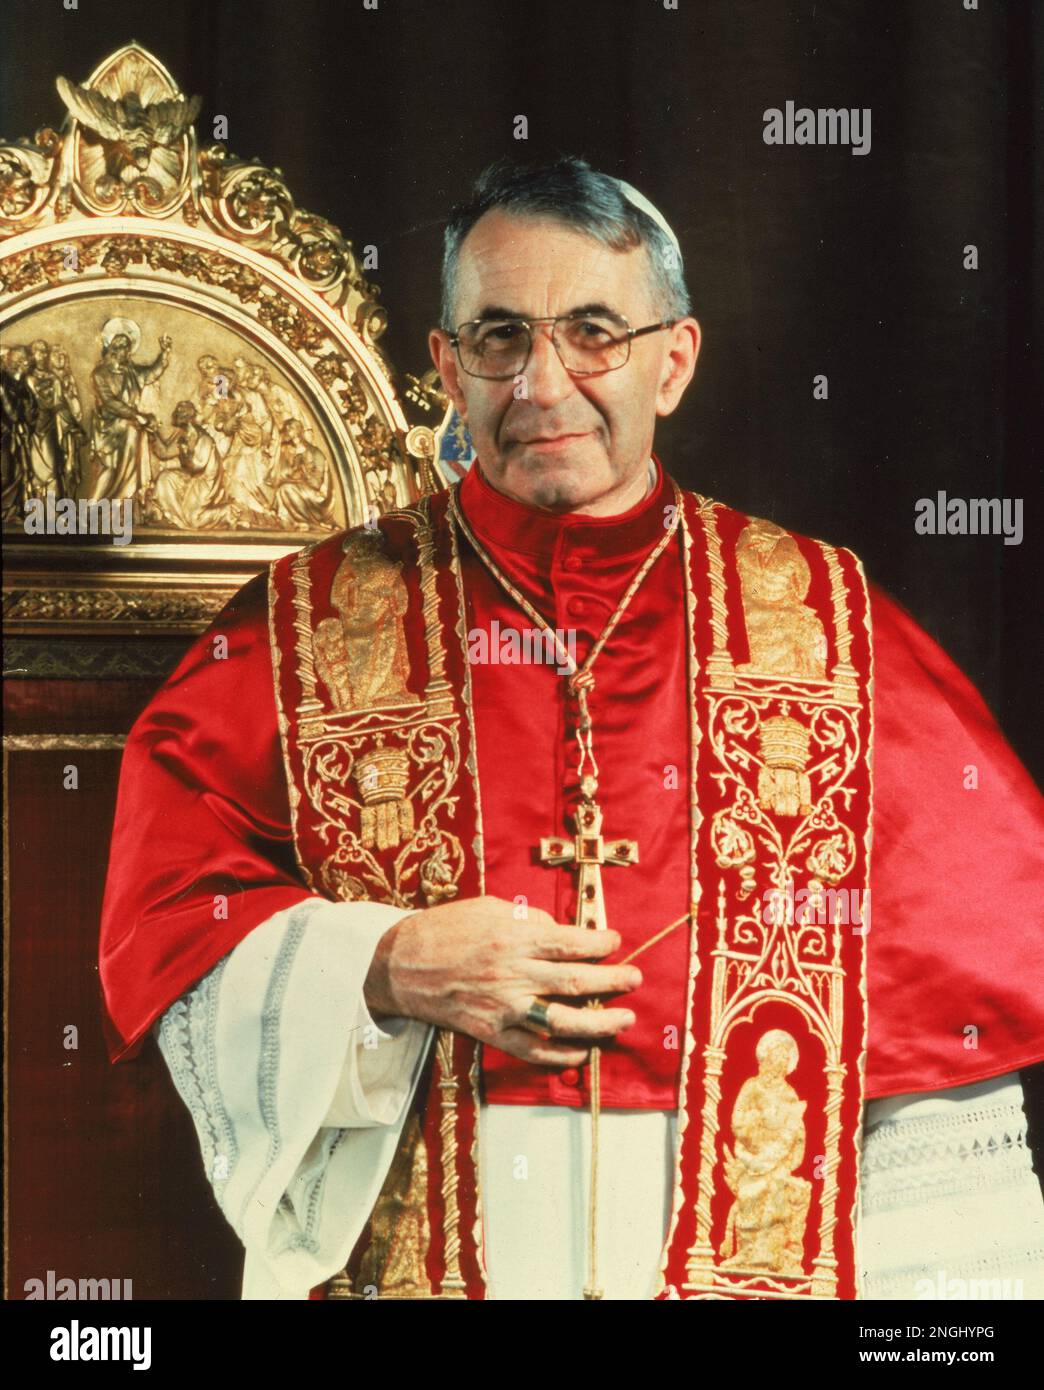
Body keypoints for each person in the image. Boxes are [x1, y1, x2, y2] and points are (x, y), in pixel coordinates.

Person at [98, 157, 1044, 1302]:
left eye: (594, 331)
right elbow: (167, 945)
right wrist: (385, 965)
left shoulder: (830, 628)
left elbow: (953, 1050)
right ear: (447, 365)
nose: (543, 383)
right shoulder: (299, 629)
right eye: (498, 336)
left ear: (673, 360)